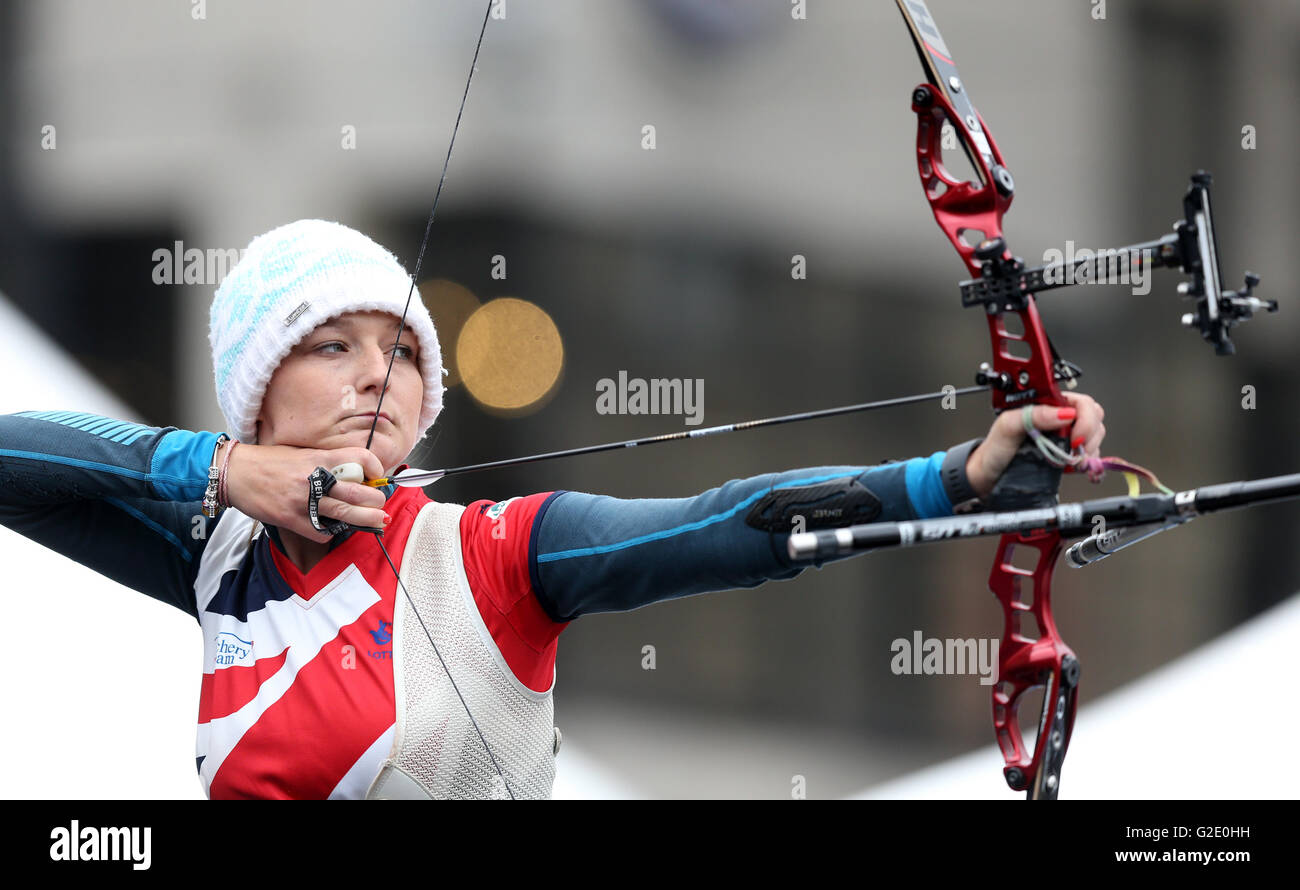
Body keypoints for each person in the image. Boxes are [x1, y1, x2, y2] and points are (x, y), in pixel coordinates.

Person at [0, 219, 1106, 799]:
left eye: (400, 353)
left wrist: (954, 475)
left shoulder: (491, 553)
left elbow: (729, 522)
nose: (376, 378)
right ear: (257, 386)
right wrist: (218, 468)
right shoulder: (214, 550)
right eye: (331, 346)